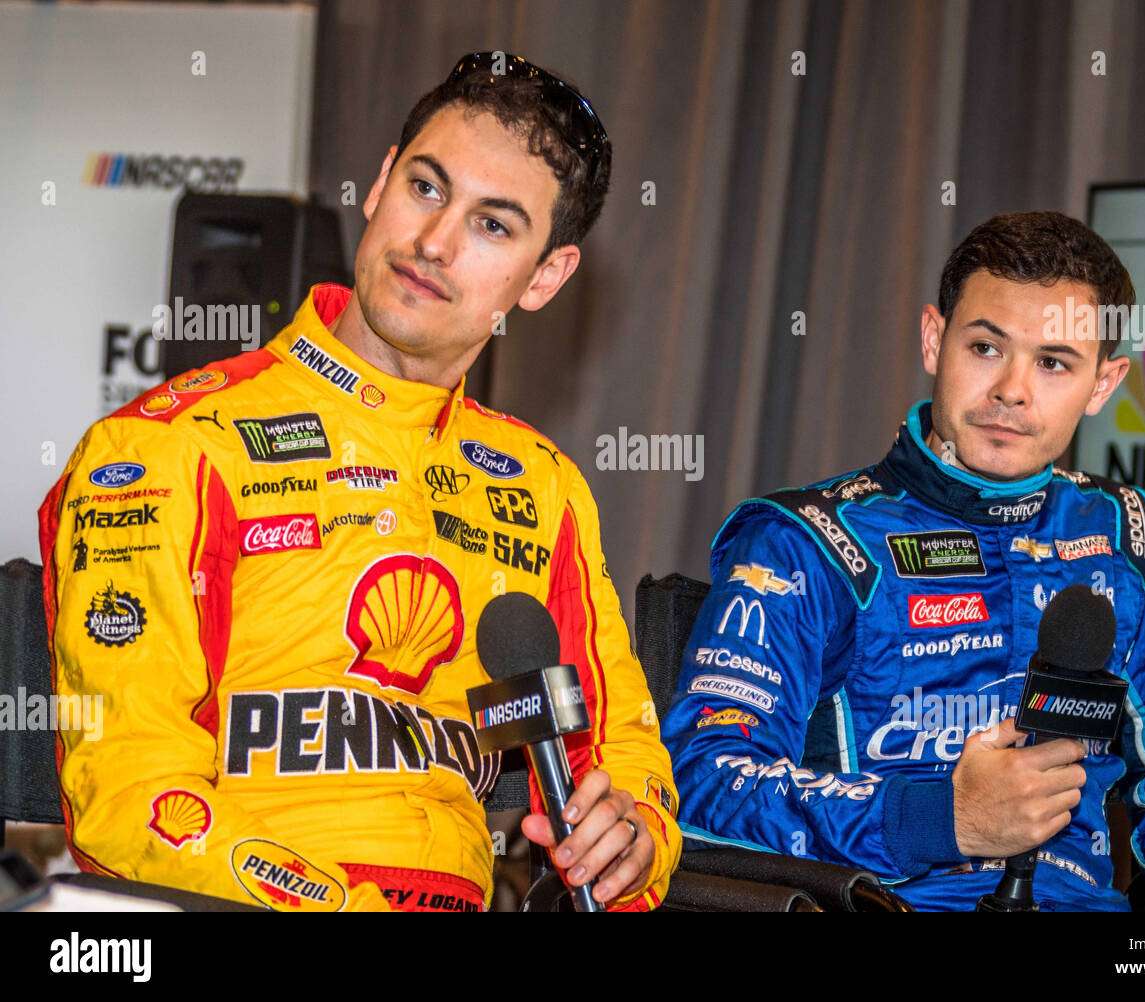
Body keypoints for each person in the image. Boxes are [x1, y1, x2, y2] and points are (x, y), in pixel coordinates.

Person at [40, 52, 680, 912]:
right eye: (426, 187)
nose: (435, 242)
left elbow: (610, 753)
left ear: (546, 278)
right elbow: (129, 789)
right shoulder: (168, 446)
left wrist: (633, 834)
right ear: (380, 183)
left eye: (494, 226)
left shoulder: (543, 489)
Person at [662, 211, 1145, 911]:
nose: (1012, 390)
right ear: (934, 339)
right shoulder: (809, 540)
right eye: (986, 347)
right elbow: (703, 778)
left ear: (1103, 386)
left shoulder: (1115, 536)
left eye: (1052, 363)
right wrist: (940, 818)